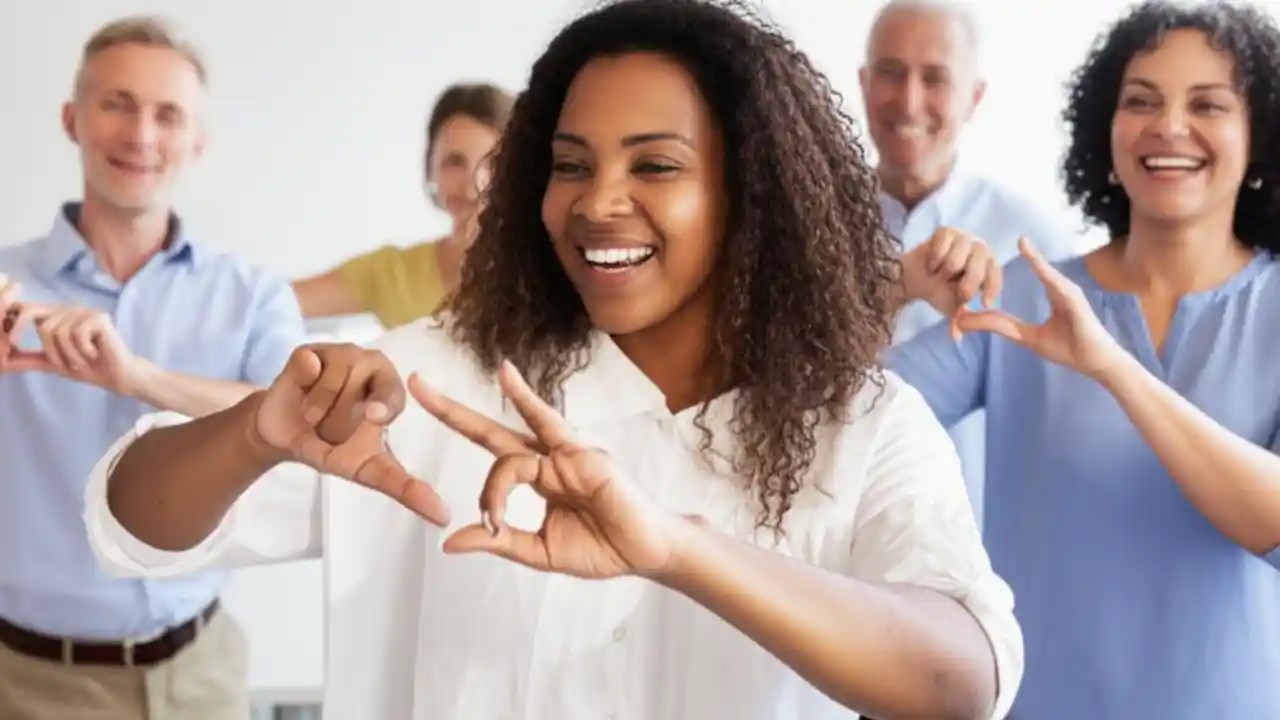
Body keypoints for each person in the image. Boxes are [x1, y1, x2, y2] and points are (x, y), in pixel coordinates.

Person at [85, 1, 1022, 718]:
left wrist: (678, 550)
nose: (596, 202)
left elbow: (960, 679)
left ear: (754, 195)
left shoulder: (862, 422)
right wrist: (254, 434)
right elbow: (130, 521)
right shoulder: (442, 383)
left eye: (654, 166)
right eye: (571, 165)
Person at [889, 1, 1280, 717]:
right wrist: (897, 286)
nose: (1168, 125)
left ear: (1258, 137)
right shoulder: (1030, 292)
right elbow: (844, 413)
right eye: (1141, 101)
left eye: (1208, 104)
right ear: (1108, 128)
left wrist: (1112, 367)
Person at [0, 16, 305, 720]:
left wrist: (134, 376)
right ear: (73, 119)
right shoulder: (5, 292)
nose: (140, 135)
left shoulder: (253, 294)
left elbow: (288, 421)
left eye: (167, 114)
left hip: (201, 673)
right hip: (26, 685)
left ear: (195, 141)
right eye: (117, 104)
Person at [861, 0, 1079, 518]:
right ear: (864, 83)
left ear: (974, 97)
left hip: (978, 547)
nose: (909, 101)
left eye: (935, 78)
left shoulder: (1036, 241)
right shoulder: (801, 227)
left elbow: (1067, 415)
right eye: (891, 73)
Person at [291, 83, 513, 329]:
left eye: (493, 164)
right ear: (431, 170)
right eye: (454, 162)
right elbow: (274, 302)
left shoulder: (545, 276)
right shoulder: (391, 274)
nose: (473, 187)